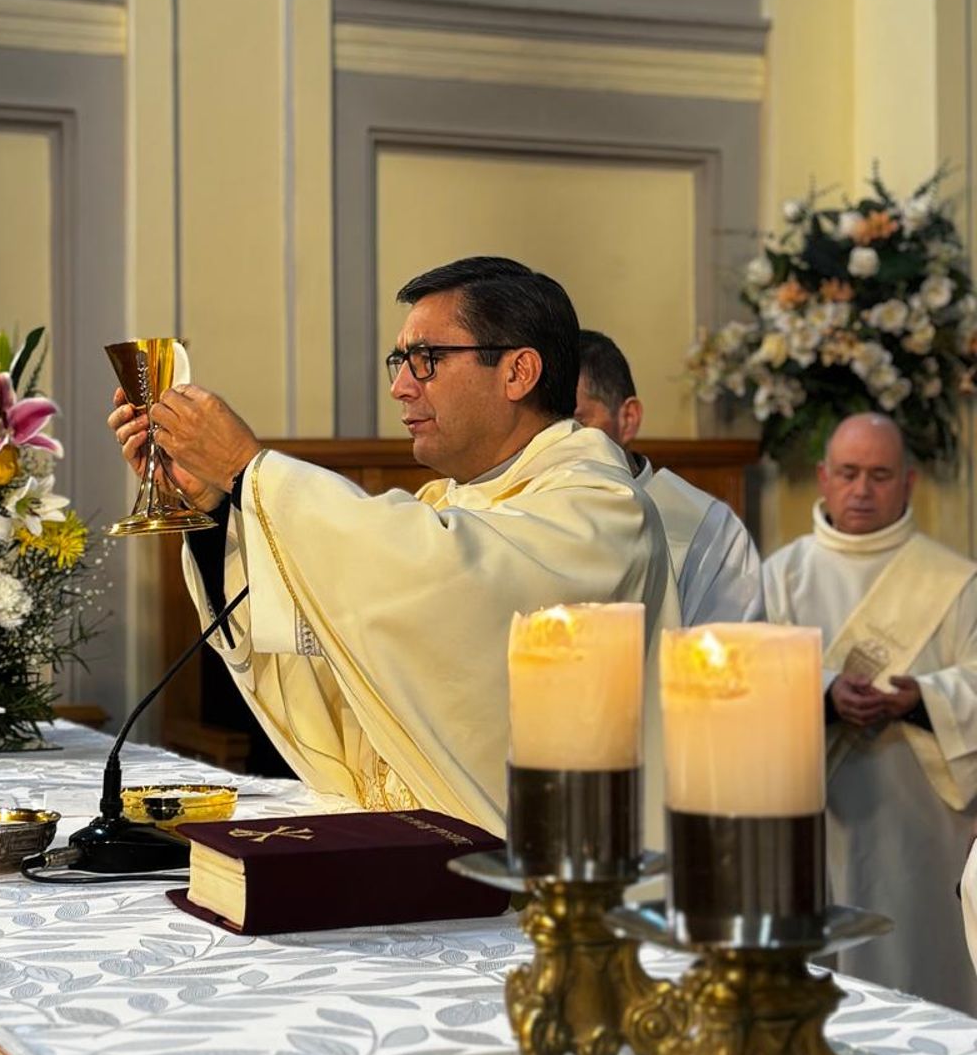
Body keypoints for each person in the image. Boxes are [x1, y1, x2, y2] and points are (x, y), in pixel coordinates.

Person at [109, 257, 676, 836]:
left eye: (426, 360)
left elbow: (458, 582)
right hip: (409, 847)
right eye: (398, 361)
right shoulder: (446, 504)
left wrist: (247, 469)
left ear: (518, 372)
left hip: (534, 884)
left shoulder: (604, 510)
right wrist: (218, 507)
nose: (400, 387)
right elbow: (329, 648)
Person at [763, 412, 977, 1015]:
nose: (862, 490)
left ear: (908, 483)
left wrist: (926, 698)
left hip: (922, 826)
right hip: (818, 821)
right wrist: (826, 692)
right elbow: (748, 680)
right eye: (849, 474)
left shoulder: (956, 582)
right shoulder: (781, 576)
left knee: (921, 972)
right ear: (824, 479)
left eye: (880, 475)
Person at [575, 330, 764, 626]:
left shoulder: (708, 530)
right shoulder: (523, 512)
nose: (557, 442)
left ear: (628, 419)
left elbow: (729, 655)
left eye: (576, 423)